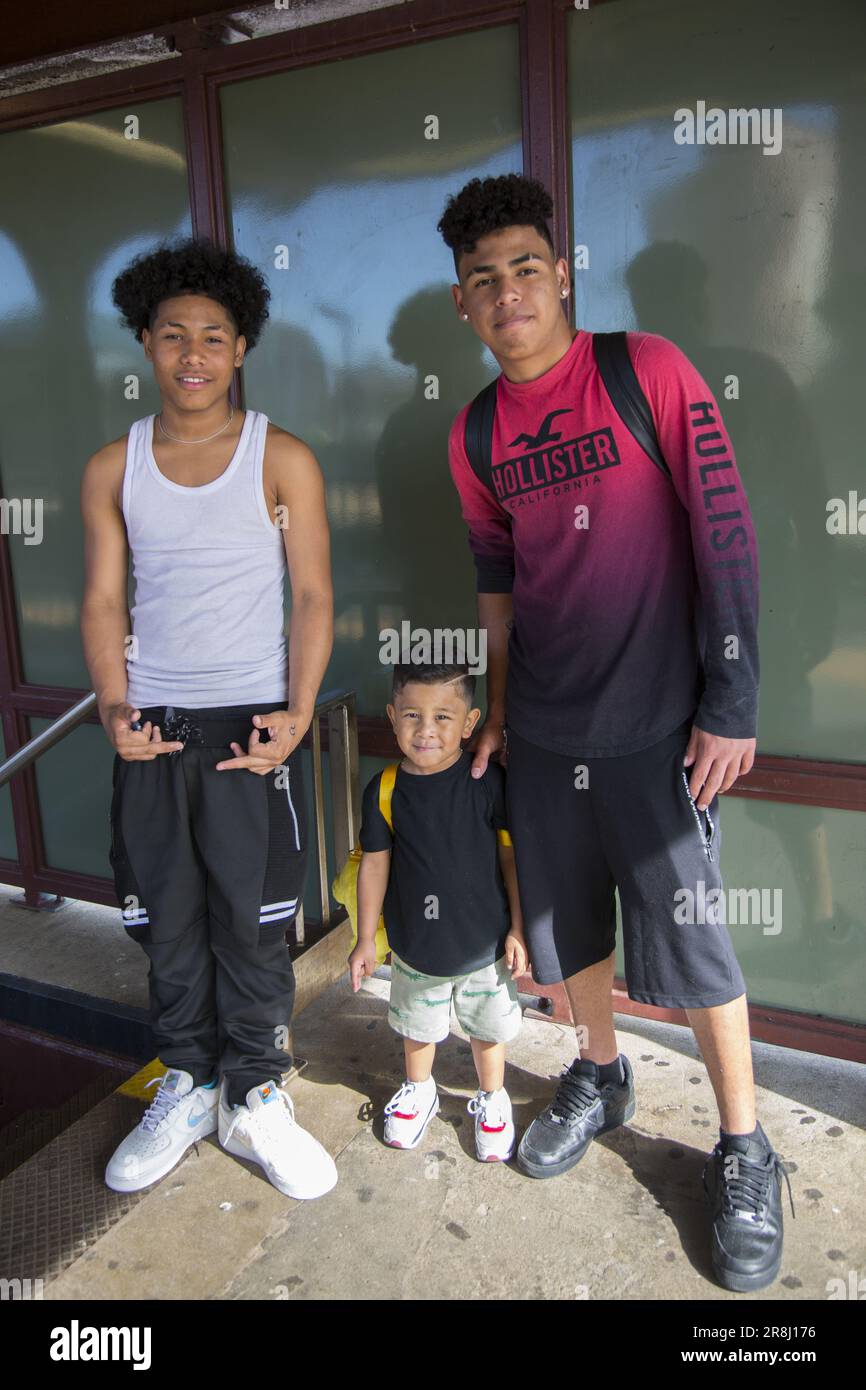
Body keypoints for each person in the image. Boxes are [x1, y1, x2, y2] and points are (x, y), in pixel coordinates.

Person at [438, 174, 792, 1291]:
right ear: (463, 305)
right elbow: (496, 580)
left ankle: (744, 1145)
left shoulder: (646, 372)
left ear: (562, 274)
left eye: (524, 269)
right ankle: (598, 1075)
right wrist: (497, 707)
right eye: (482, 280)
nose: (507, 294)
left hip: (657, 725)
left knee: (693, 947)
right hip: (545, 729)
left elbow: (725, 534)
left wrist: (729, 703)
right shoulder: (476, 431)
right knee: (564, 931)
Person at [80, 237, 337, 1200]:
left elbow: (312, 596)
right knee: (168, 920)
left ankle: (258, 1095)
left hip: (248, 729)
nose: (194, 353)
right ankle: (188, 1082)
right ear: (146, 342)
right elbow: (105, 602)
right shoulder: (115, 465)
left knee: (255, 922)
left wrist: (298, 710)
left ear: (241, 349)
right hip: (150, 725)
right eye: (174, 335)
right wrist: (114, 703)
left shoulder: (285, 459)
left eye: (215, 337)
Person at [348, 663, 528, 1161]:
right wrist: (366, 939)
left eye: (443, 717)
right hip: (415, 949)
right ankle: (419, 1089)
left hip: (485, 948)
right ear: (391, 716)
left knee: (488, 1032)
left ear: (470, 723)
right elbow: (375, 867)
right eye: (411, 715)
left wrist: (518, 926)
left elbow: (512, 859)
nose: (426, 729)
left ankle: (493, 1098)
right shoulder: (383, 789)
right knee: (417, 1029)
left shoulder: (488, 782)